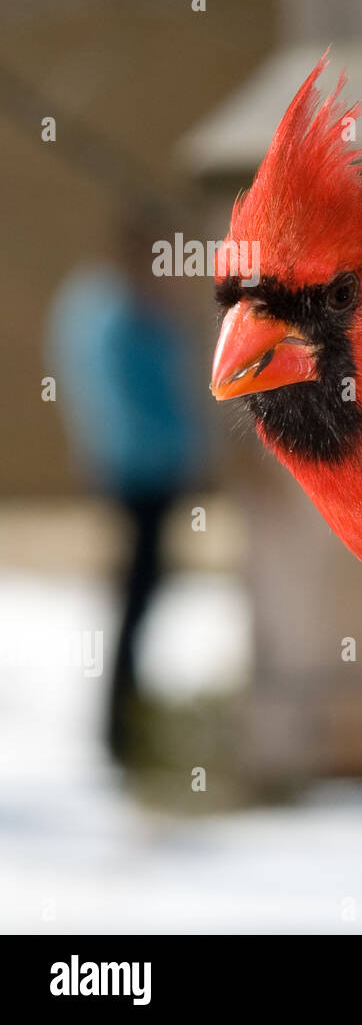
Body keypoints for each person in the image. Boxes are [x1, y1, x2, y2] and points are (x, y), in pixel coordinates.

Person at [47, 202, 204, 762]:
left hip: (139, 472)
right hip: (138, 475)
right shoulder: (115, 314)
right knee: (136, 597)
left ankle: (127, 720)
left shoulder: (108, 307)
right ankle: (120, 730)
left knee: (144, 595)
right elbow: (130, 403)